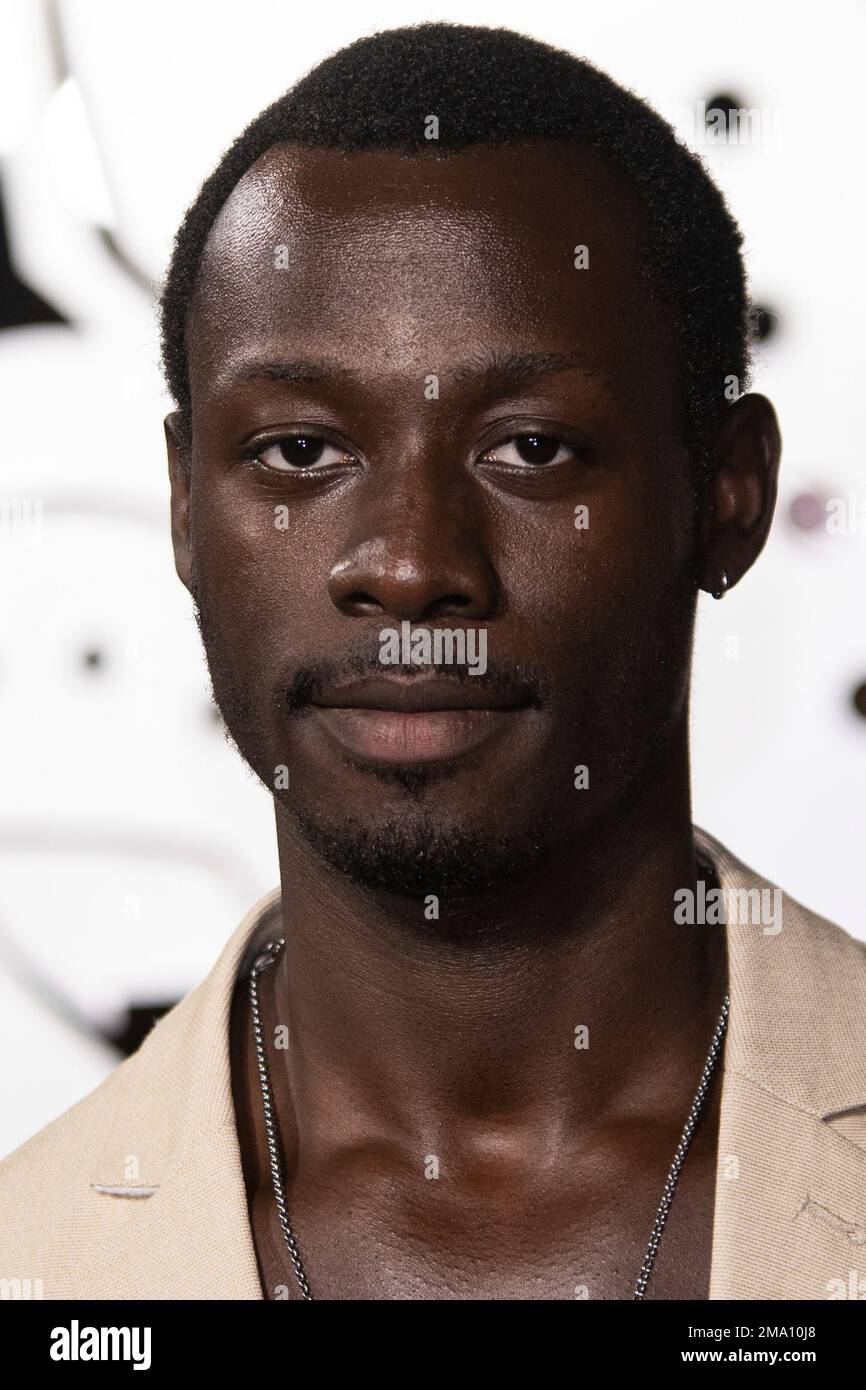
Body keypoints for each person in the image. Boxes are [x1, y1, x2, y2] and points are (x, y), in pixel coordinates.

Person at [2, 22, 864, 1303]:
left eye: (530, 448)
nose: (407, 565)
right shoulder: (33, 1261)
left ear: (727, 497)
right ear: (184, 510)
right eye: (300, 452)